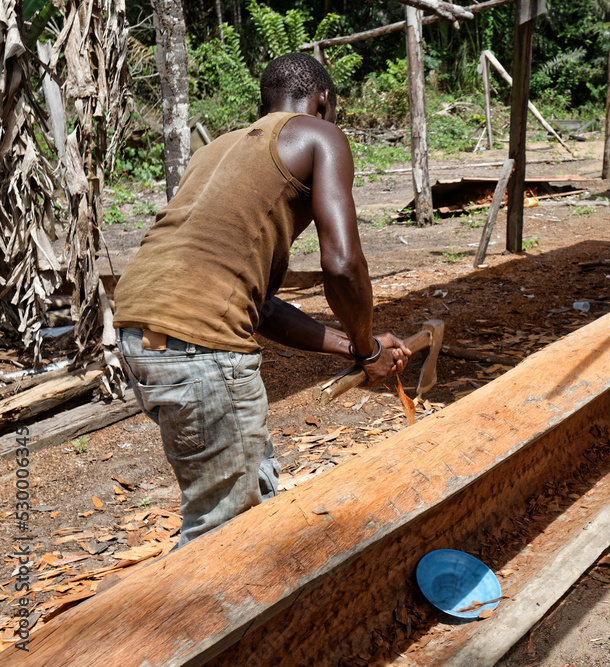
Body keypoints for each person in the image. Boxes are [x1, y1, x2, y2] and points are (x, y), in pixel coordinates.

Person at [113, 53, 411, 548]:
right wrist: (370, 349)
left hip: (139, 332)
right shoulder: (319, 135)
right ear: (324, 102)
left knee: (251, 486)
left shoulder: (220, 151)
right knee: (222, 538)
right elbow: (342, 265)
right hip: (200, 348)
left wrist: (354, 349)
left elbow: (263, 309)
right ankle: (197, 624)